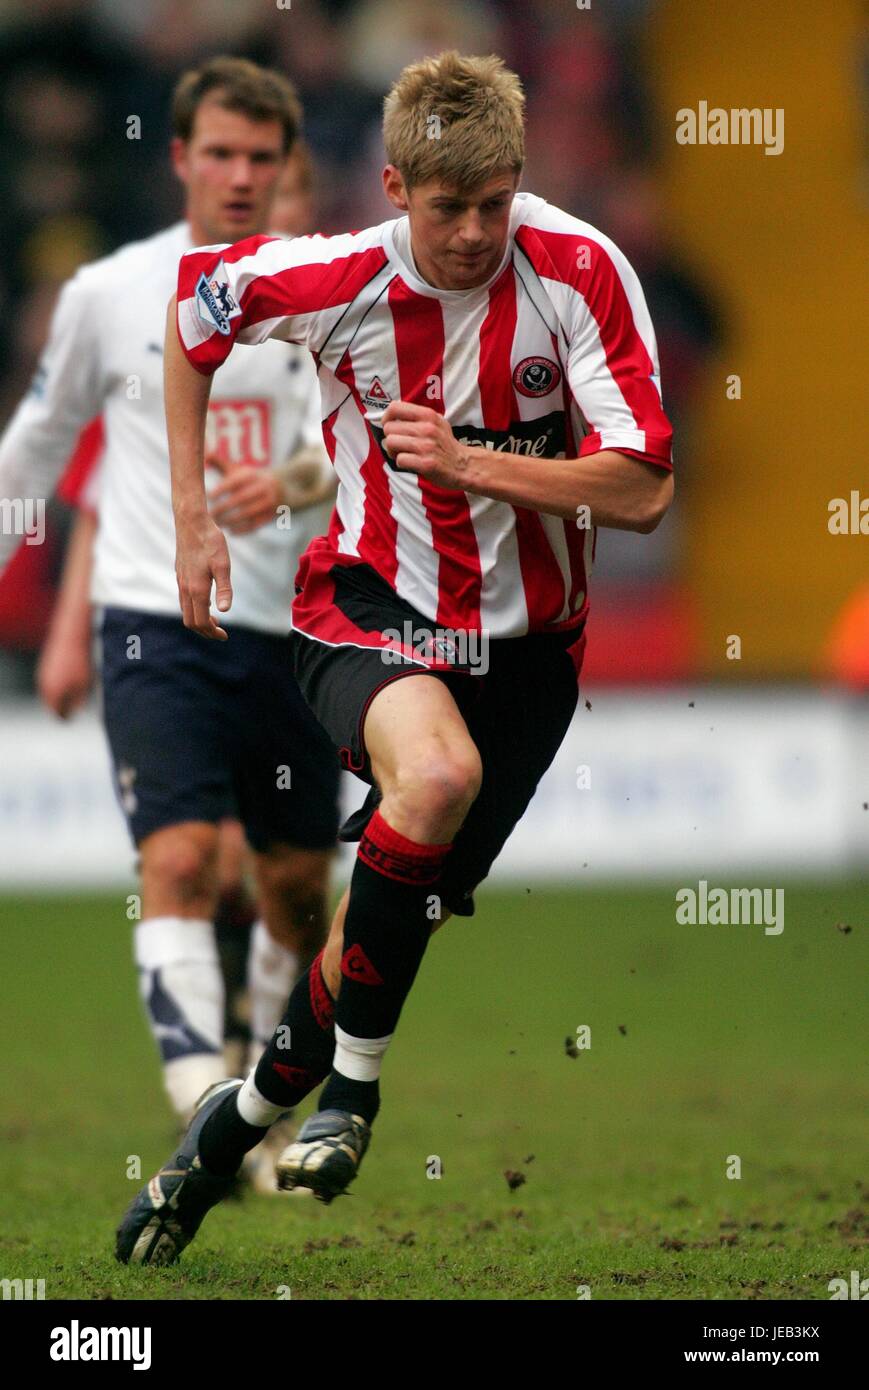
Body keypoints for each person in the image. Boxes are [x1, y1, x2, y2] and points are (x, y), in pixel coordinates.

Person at [116, 49, 674, 1266]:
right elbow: (189, 313)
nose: (474, 232)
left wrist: (473, 462)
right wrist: (196, 517)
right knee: (430, 780)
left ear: (517, 181)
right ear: (393, 185)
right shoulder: (334, 276)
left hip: (531, 654)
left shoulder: (579, 269)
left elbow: (640, 490)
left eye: (494, 201)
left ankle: (234, 1126)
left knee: (396, 905)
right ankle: (355, 1098)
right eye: (445, 206)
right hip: (370, 611)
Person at [0, 58, 341, 1139]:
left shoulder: (335, 290)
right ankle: (205, 1103)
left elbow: (374, 447)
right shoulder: (110, 294)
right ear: (182, 158)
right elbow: (44, 446)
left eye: (261, 157)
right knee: (182, 855)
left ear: (284, 166)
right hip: (154, 616)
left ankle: (265, 1107)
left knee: (293, 885)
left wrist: (285, 484)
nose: (240, 176)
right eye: (221, 154)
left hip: (300, 626)